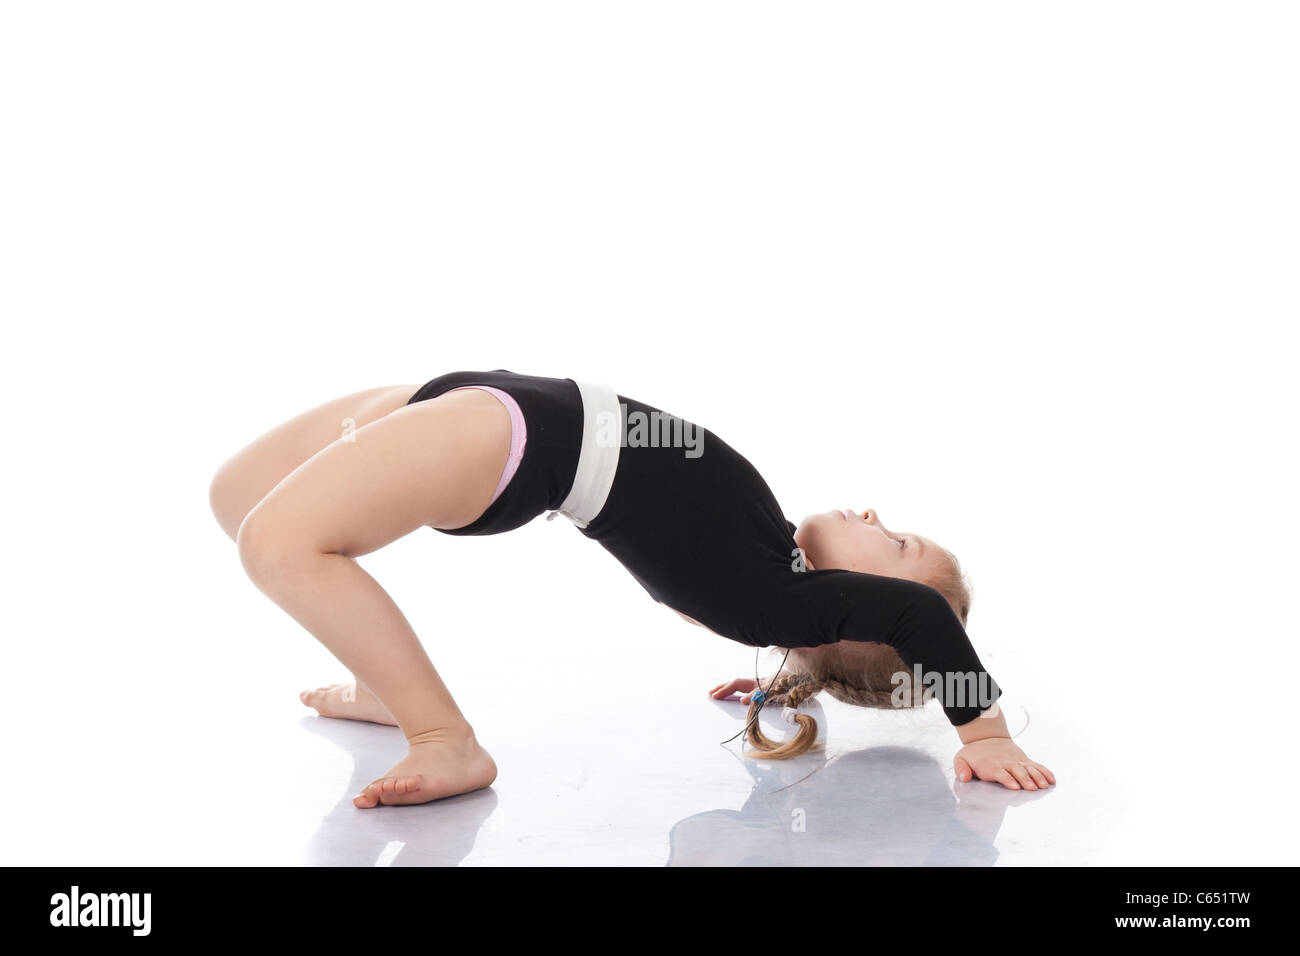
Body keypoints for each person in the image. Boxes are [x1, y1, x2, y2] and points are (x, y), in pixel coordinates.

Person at [209, 370, 1055, 808]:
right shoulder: (768, 582)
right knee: (238, 497)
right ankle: (381, 686)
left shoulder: (775, 596)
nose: (874, 513)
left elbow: (911, 618)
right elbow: (834, 631)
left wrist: (983, 735)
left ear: (863, 604)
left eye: (894, 539)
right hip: (479, 396)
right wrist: (795, 679)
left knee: (277, 542)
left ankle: (440, 735)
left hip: (516, 438)